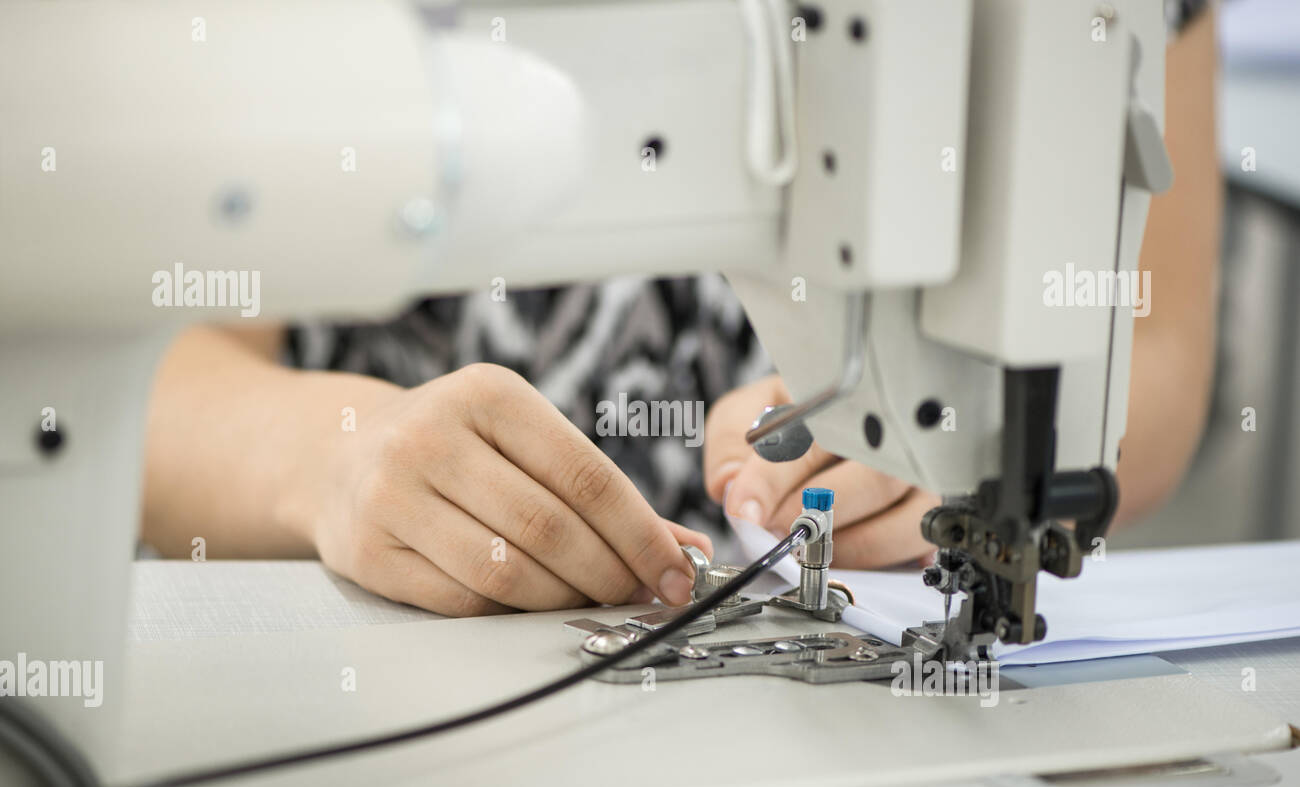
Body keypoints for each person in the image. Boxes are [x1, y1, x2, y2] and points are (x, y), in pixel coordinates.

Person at [141, 7, 1220, 616]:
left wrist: (933, 418)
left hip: (820, 602)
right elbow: (129, 378)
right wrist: (336, 456)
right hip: (368, 620)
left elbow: (1150, 346)